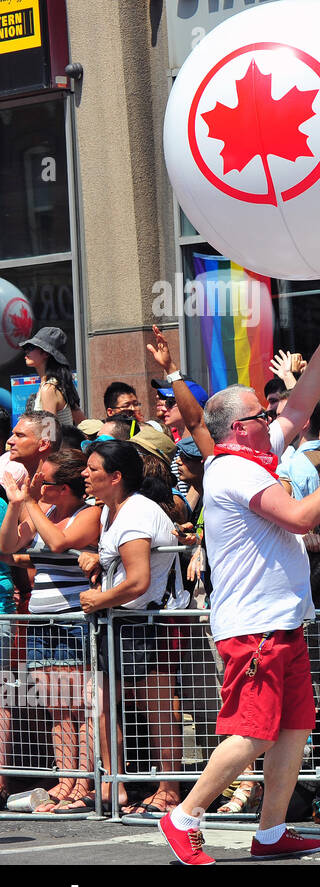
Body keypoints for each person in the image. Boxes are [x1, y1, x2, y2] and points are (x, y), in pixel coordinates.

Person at [149, 317, 320, 865]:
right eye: (260, 415)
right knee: (254, 732)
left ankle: (270, 832)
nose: (273, 418)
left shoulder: (253, 451)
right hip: (254, 627)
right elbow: (297, 518)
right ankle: (185, 814)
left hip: (281, 620)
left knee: (292, 728)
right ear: (238, 427)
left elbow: (301, 405)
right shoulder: (234, 472)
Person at [76, 440, 185, 817]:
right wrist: (97, 562)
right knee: (104, 705)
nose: (85, 475)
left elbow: (138, 581)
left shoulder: (137, 513)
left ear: (116, 476)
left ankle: (168, 791)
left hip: (142, 622)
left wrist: (97, 599)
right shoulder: (113, 512)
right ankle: (115, 786)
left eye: (92, 469)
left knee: (155, 708)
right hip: (122, 623)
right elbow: (124, 568)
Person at [0, 450, 99, 813]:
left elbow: (58, 543)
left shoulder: (88, 513)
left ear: (66, 488)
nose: (37, 484)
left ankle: (85, 782)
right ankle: (65, 778)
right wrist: (16, 505)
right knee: (56, 706)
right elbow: (7, 546)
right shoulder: (46, 512)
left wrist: (31, 503)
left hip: (73, 619)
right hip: (43, 621)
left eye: (45, 480)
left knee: (81, 704)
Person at [21, 327, 82, 427]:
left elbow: (49, 432)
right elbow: (82, 422)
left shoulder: (49, 389)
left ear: (45, 353)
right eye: (26, 348)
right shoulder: (56, 384)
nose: (26, 351)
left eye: (31, 347)